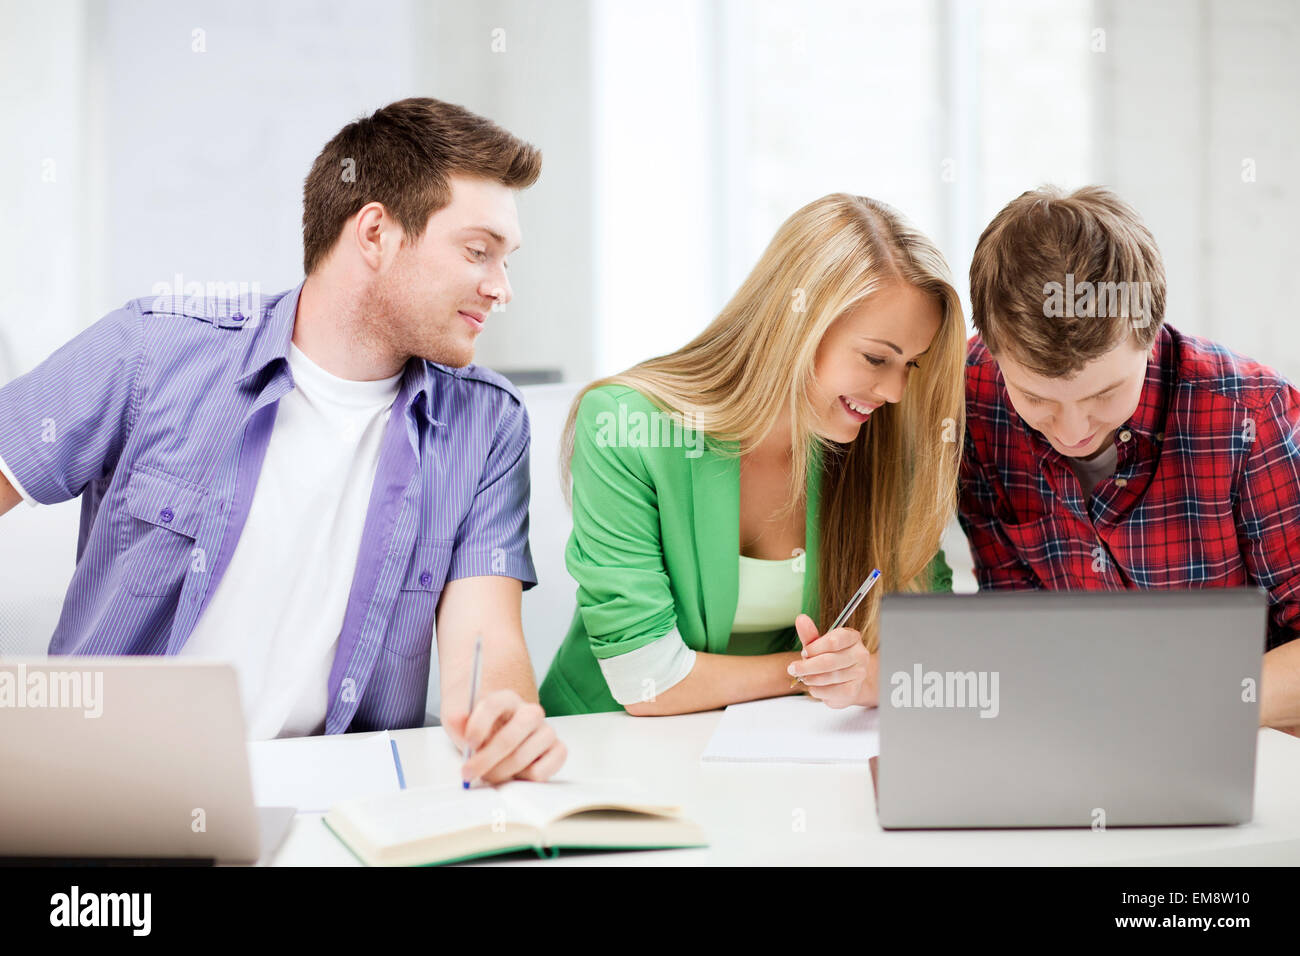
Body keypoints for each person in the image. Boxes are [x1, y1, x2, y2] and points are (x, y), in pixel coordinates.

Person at [0, 97, 567, 784]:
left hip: (340, 804)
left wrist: (502, 719)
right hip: (108, 789)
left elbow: (487, 642)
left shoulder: (488, 426)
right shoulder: (150, 352)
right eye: (479, 252)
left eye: (507, 261)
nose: (502, 288)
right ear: (375, 235)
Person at [539, 193, 966, 716]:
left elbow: (934, 651)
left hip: (774, 751)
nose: (895, 391)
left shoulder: (878, 443)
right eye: (877, 357)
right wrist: (819, 675)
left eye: (912, 366)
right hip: (602, 748)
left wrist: (867, 676)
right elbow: (646, 677)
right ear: (796, 325)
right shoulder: (627, 427)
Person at [959, 184, 1300, 734]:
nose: (1071, 432)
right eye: (1037, 399)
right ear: (994, 352)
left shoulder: (1250, 416)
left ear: (1150, 332)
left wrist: (1178, 706)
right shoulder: (974, 398)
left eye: (1103, 395)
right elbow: (1014, 622)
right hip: (1070, 735)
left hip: (1245, 742)